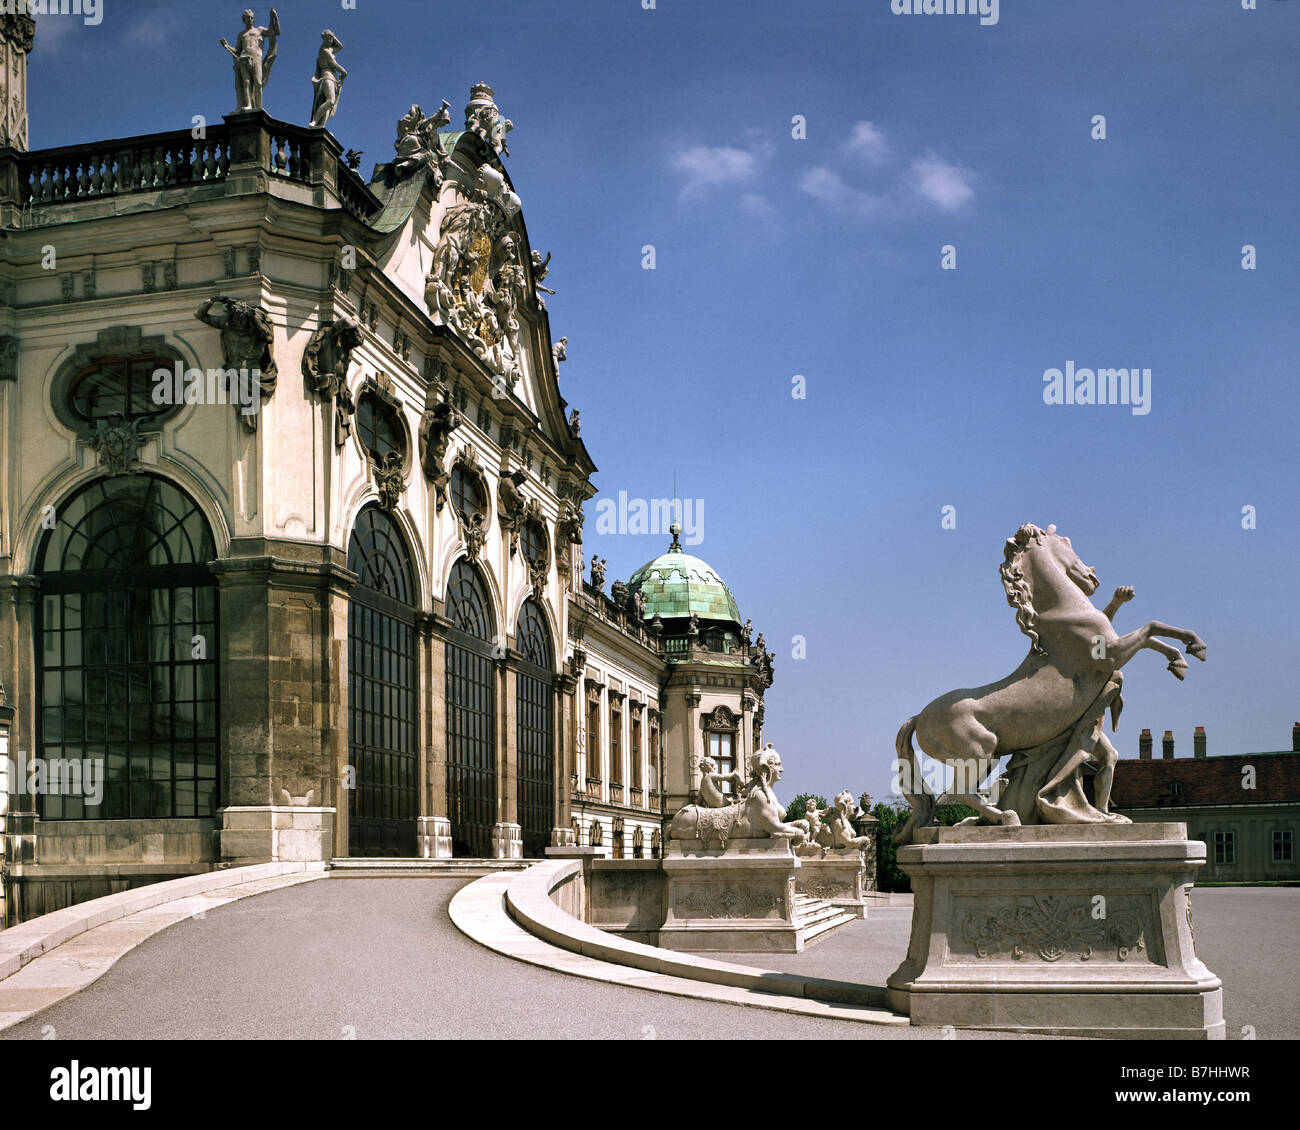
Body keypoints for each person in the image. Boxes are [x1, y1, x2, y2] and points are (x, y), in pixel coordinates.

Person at [309, 30, 346, 128]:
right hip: (327, 77)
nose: (330, 40)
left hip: (333, 78)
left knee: (329, 106)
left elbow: (340, 47)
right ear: (324, 39)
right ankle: (314, 121)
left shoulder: (330, 49)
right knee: (330, 101)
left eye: (331, 39)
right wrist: (343, 71)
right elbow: (333, 64)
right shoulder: (325, 51)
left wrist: (333, 37)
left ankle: (321, 126)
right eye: (328, 39)